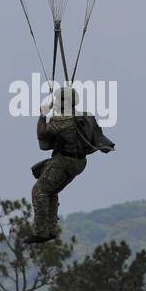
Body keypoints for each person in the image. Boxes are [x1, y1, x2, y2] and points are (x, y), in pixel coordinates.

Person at [27, 84, 113, 243]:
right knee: (50, 191)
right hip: (79, 163)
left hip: (64, 162)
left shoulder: (62, 120)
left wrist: (42, 115)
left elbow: (42, 136)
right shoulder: (85, 116)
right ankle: (51, 230)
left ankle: (40, 232)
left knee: (39, 191)